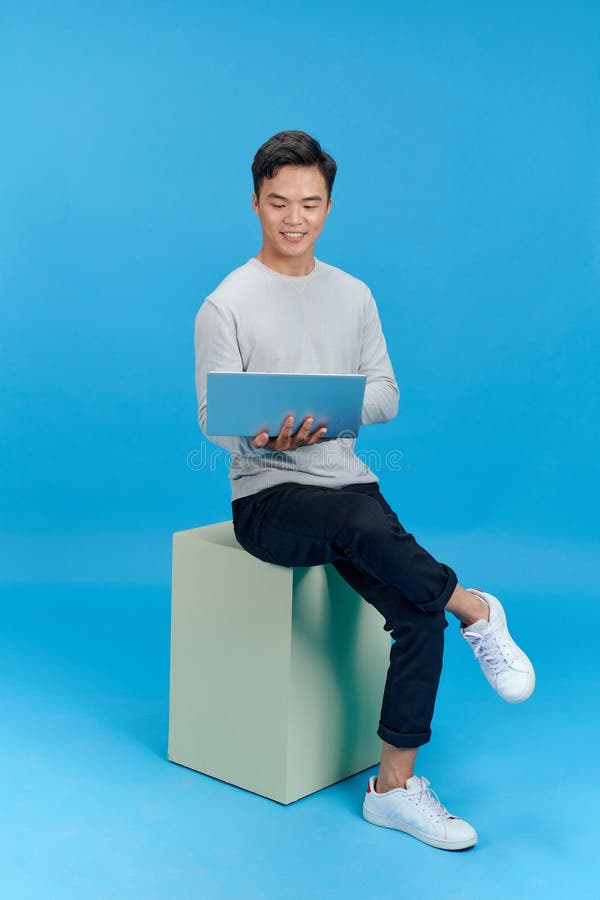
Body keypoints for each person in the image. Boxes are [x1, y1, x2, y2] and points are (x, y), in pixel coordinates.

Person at [193, 130, 535, 851]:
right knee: (364, 522)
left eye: (310, 203)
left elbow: (386, 394)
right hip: (268, 499)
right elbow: (212, 420)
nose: (294, 218)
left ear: (328, 206)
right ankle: (475, 606)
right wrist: (262, 438)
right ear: (255, 202)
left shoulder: (353, 295)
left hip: (347, 486)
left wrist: (328, 417)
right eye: (279, 202)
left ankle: (393, 790)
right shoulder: (224, 304)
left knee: (416, 611)